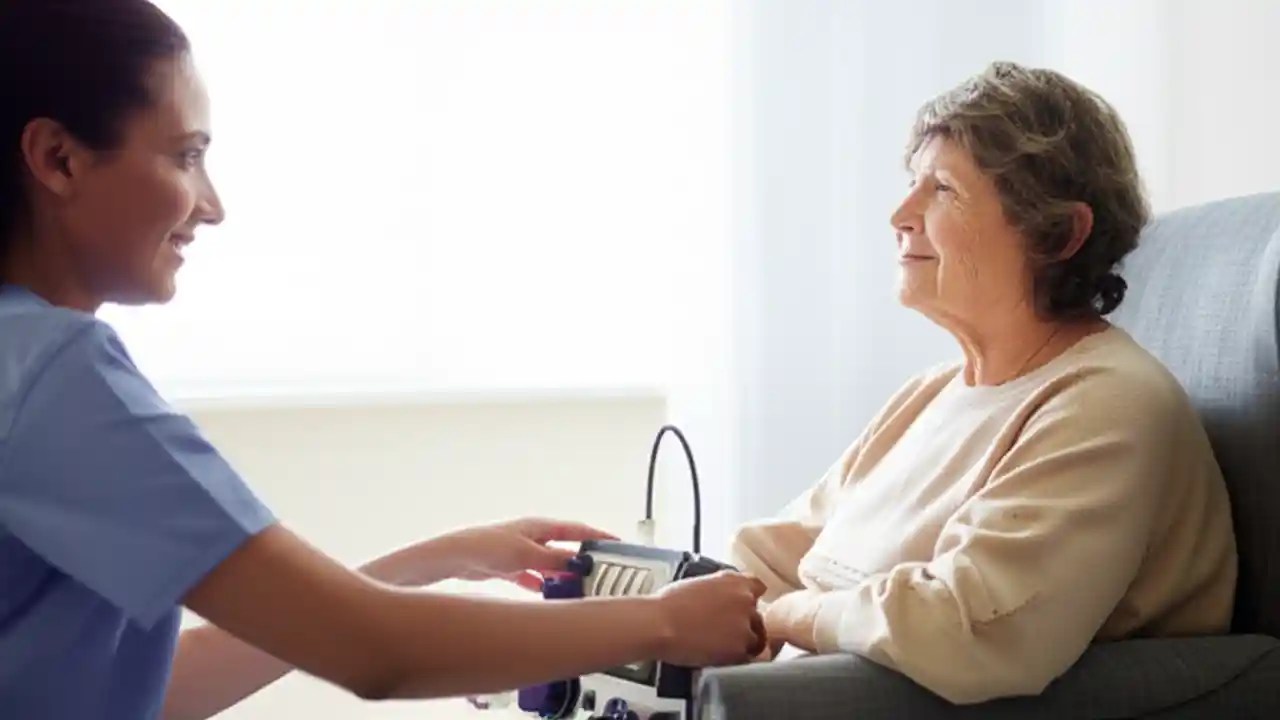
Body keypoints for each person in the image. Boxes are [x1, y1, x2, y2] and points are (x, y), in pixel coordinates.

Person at [0, 1, 767, 717]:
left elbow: (151, 690)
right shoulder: (55, 373)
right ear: (58, 158)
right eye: (186, 156)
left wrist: (424, 562)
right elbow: (376, 653)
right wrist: (664, 622)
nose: (212, 204)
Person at [730, 61, 1238, 704]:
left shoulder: (1110, 406)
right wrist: (662, 600)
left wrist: (786, 616)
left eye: (943, 189)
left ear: (1059, 233)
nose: (900, 214)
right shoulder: (932, 393)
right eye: (913, 183)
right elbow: (775, 557)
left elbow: (966, 628)